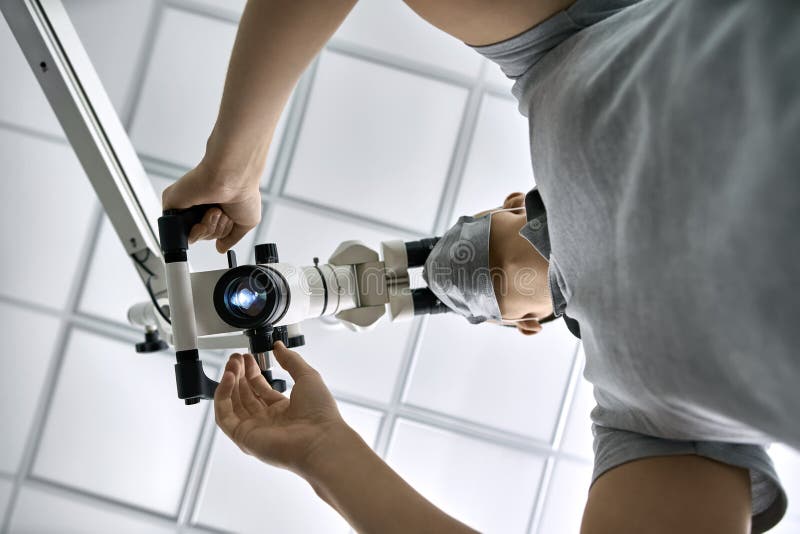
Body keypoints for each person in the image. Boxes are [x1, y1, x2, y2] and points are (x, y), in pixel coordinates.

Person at [162, 0, 799, 532]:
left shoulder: (556, 59)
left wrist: (233, 162)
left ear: (512, 203)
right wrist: (328, 455)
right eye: (488, 297)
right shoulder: (651, 419)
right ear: (524, 326)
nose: (469, 278)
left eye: (475, 249)